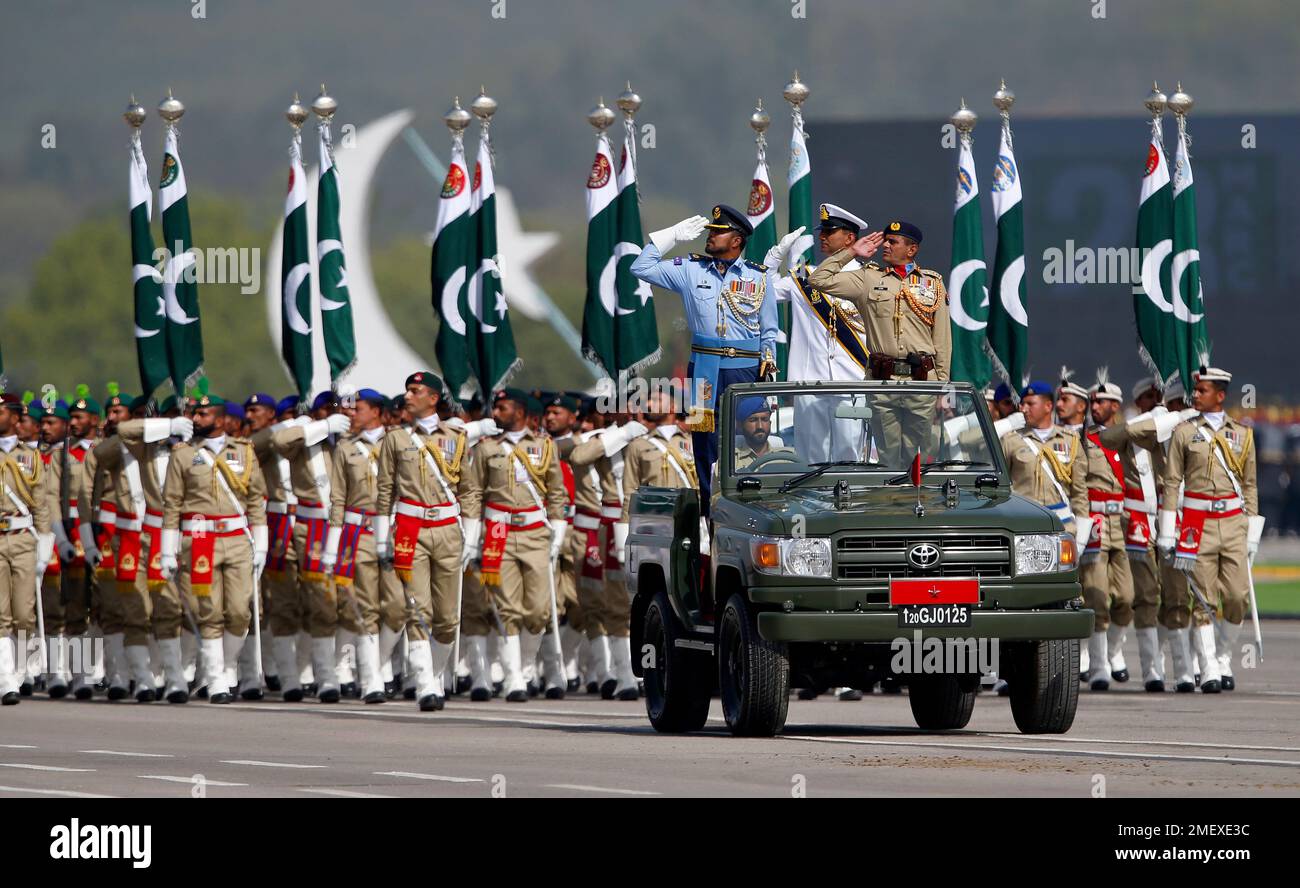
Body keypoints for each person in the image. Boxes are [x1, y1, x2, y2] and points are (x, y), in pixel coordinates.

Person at [630, 204, 779, 508]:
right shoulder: (691, 268)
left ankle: (752, 504)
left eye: (717, 233)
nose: (709, 237)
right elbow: (640, 267)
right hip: (704, 369)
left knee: (751, 435)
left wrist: (770, 372)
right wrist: (670, 236)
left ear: (736, 240)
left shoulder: (759, 277)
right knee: (705, 441)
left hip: (746, 368)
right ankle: (710, 511)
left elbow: (769, 331)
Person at [806, 220, 950, 466]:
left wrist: (942, 385)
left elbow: (943, 338)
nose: (885, 245)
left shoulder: (932, 283)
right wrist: (851, 252)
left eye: (893, 242)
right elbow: (818, 280)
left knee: (919, 456)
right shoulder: (868, 278)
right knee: (888, 456)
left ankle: (916, 502)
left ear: (911, 249)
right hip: (882, 382)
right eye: (885, 240)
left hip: (921, 381)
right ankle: (890, 503)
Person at [160, 385, 268, 704]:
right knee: (207, 611)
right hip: (199, 539)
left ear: (220, 420)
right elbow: (172, 504)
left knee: (239, 611)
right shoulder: (182, 453)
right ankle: (217, 678)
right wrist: (168, 550)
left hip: (237, 538)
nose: (196, 417)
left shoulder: (244, 451)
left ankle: (228, 664)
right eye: (195, 412)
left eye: (203, 413)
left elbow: (257, 501)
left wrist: (260, 545)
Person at [459, 387, 568, 703]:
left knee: (537, 612)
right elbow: (473, 493)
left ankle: (525, 666)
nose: (496, 412)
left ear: (520, 412)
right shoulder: (486, 448)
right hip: (498, 534)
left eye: (503, 407)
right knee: (507, 609)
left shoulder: (545, 447)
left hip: (535, 533)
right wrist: (472, 537)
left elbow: (557, 493)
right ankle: (514, 678)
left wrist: (557, 535)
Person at [1158, 366, 1259, 693]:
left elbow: (1250, 486)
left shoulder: (1243, 434)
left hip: (1232, 523)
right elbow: (1172, 482)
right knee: (1202, 599)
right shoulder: (1184, 432)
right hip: (1195, 523)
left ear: (1220, 395)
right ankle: (1210, 667)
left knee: (1236, 596)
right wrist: (1166, 529)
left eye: (1201, 391)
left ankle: (1223, 655)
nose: (1194, 396)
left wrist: (1252, 530)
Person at [374, 371, 470, 711]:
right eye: (407, 391)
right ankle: (426, 684)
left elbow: (469, 490)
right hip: (409, 529)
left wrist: (470, 537)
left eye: (416, 391)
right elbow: (384, 491)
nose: (408, 397)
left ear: (433, 398)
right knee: (418, 610)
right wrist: (381, 537)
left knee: (447, 618)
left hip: (447, 530)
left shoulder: (457, 437)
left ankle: (436, 675)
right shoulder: (396, 439)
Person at [768, 203, 872, 463]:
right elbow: (763, 293)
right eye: (822, 231)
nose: (822, 237)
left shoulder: (869, 277)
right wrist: (774, 259)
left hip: (853, 381)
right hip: (810, 383)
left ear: (850, 238)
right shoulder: (804, 276)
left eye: (830, 231)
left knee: (850, 455)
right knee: (810, 457)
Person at [615, 390, 698, 699]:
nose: (649, 405)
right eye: (647, 401)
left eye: (657, 400)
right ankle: (650, 666)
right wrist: (622, 533)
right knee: (652, 600)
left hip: (689, 524)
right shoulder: (638, 446)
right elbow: (630, 492)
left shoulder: (689, 440)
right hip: (653, 530)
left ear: (674, 407)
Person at [115, 401, 196, 702]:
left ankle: (175, 677)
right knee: (138, 611)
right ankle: (144, 678)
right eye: (174, 416)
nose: (182, 420)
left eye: (184, 416)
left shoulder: (198, 448)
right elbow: (124, 429)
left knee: (173, 610)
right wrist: (167, 427)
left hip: (184, 535)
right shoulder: (149, 446)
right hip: (150, 534)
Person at [272, 393, 351, 702]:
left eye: (340, 409)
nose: (336, 413)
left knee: (341, 605)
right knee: (307, 604)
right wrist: (322, 425)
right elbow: (280, 440)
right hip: (312, 526)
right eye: (328, 408)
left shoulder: (348, 439)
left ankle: (335, 672)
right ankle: (303, 678)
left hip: (345, 528)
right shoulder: (307, 434)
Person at [1076, 372, 1135, 691]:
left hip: (1123, 525)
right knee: (1097, 597)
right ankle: (1099, 666)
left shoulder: (1130, 439)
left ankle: (1113, 653)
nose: (1094, 406)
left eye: (1100, 402)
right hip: (1097, 524)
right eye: (1092, 401)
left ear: (1115, 405)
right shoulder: (1084, 440)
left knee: (1127, 598)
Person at [0, 394, 54, 705]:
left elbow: (41, 504)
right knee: (1, 614)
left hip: (22, 538)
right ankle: (6, 680)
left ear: (15, 417)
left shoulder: (30, 457)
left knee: (24, 614)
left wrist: (44, 545)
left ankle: (20, 672)